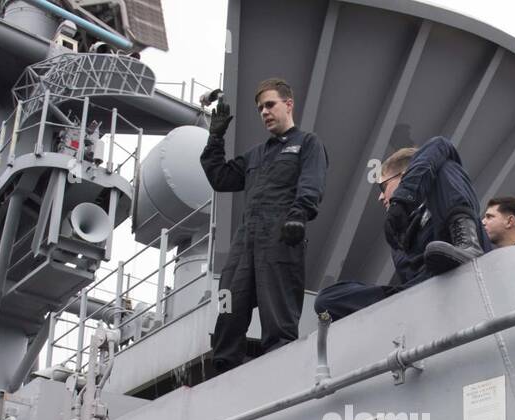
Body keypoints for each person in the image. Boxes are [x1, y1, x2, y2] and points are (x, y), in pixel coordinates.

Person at [201, 78, 328, 372]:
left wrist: (299, 214)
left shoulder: (307, 143)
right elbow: (220, 178)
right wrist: (215, 138)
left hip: (281, 236)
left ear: (288, 104)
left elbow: (312, 181)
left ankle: (279, 366)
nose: (264, 112)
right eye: (260, 108)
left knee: (278, 312)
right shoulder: (256, 155)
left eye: (270, 105)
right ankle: (222, 369)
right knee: (229, 301)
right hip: (245, 241)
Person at [314, 137, 490, 321]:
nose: (380, 197)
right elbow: (412, 274)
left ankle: (468, 244)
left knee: (446, 168)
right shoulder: (400, 229)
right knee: (327, 298)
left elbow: (442, 144)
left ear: (405, 175)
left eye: (383, 186)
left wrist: (403, 198)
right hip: (423, 291)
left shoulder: (441, 194)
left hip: (464, 263)